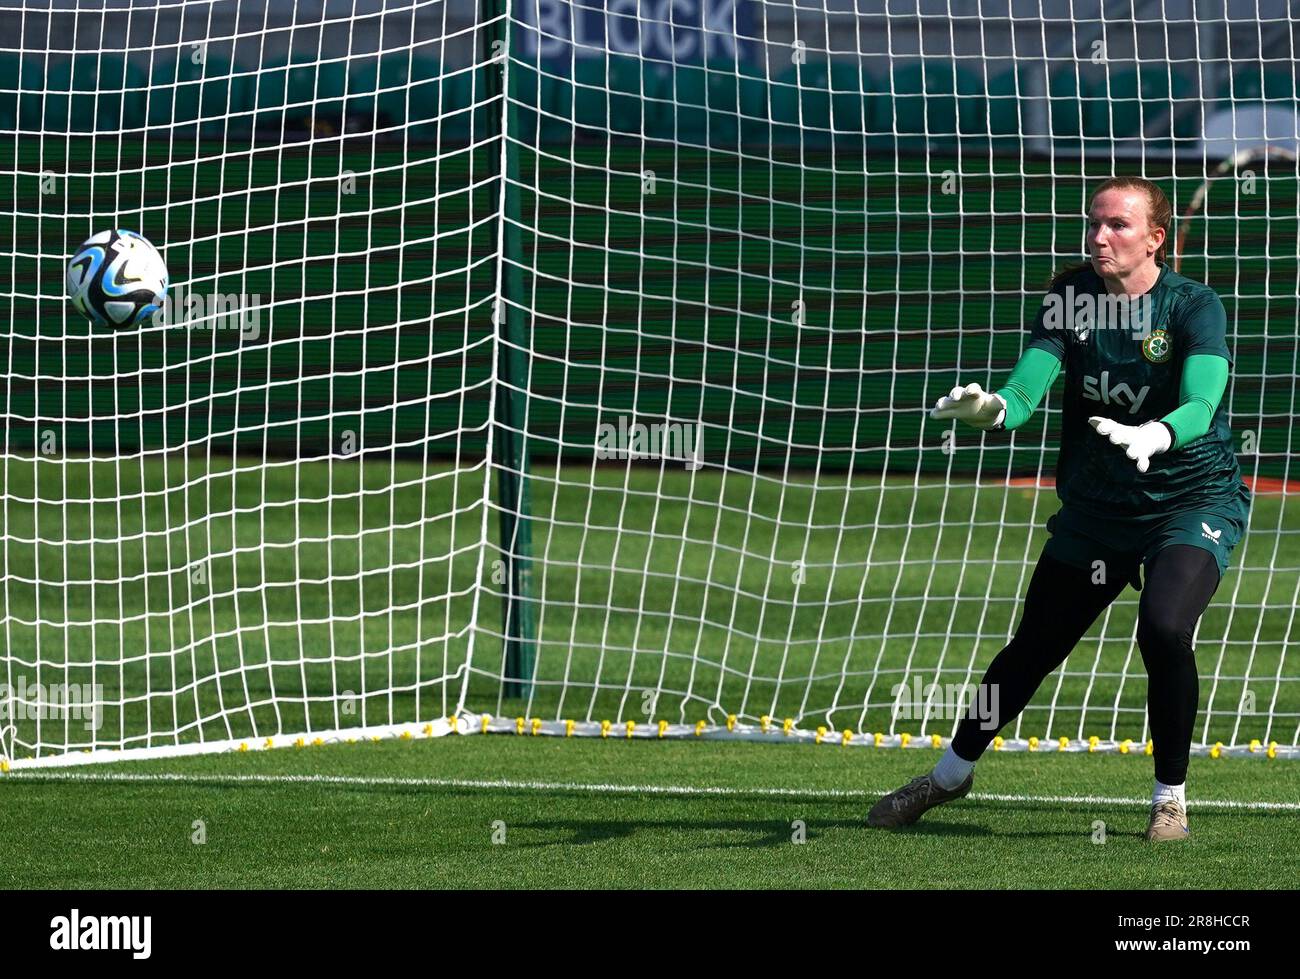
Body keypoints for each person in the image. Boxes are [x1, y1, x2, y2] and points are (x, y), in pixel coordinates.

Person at [867, 177, 1251, 842]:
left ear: (1156, 238)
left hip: (1190, 498)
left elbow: (1201, 400)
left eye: (1119, 225)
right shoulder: (1070, 299)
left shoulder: (1194, 306)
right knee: (1031, 649)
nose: (1100, 236)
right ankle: (949, 773)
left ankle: (1169, 799)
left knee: (1163, 627)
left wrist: (1155, 434)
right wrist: (990, 408)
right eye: (1094, 223)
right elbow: (1023, 393)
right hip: (1099, 509)